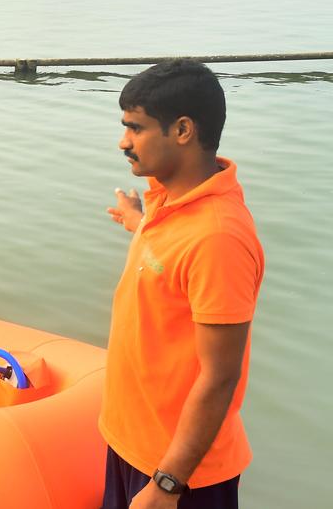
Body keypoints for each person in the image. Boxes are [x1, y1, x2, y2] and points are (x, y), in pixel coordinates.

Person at [100, 60, 264, 509]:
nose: (123, 142)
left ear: (183, 130)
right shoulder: (170, 199)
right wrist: (138, 221)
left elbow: (220, 375)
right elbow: (172, 263)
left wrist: (167, 484)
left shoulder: (218, 238)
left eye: (135, 128)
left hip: (180, 475)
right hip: (132, 444)